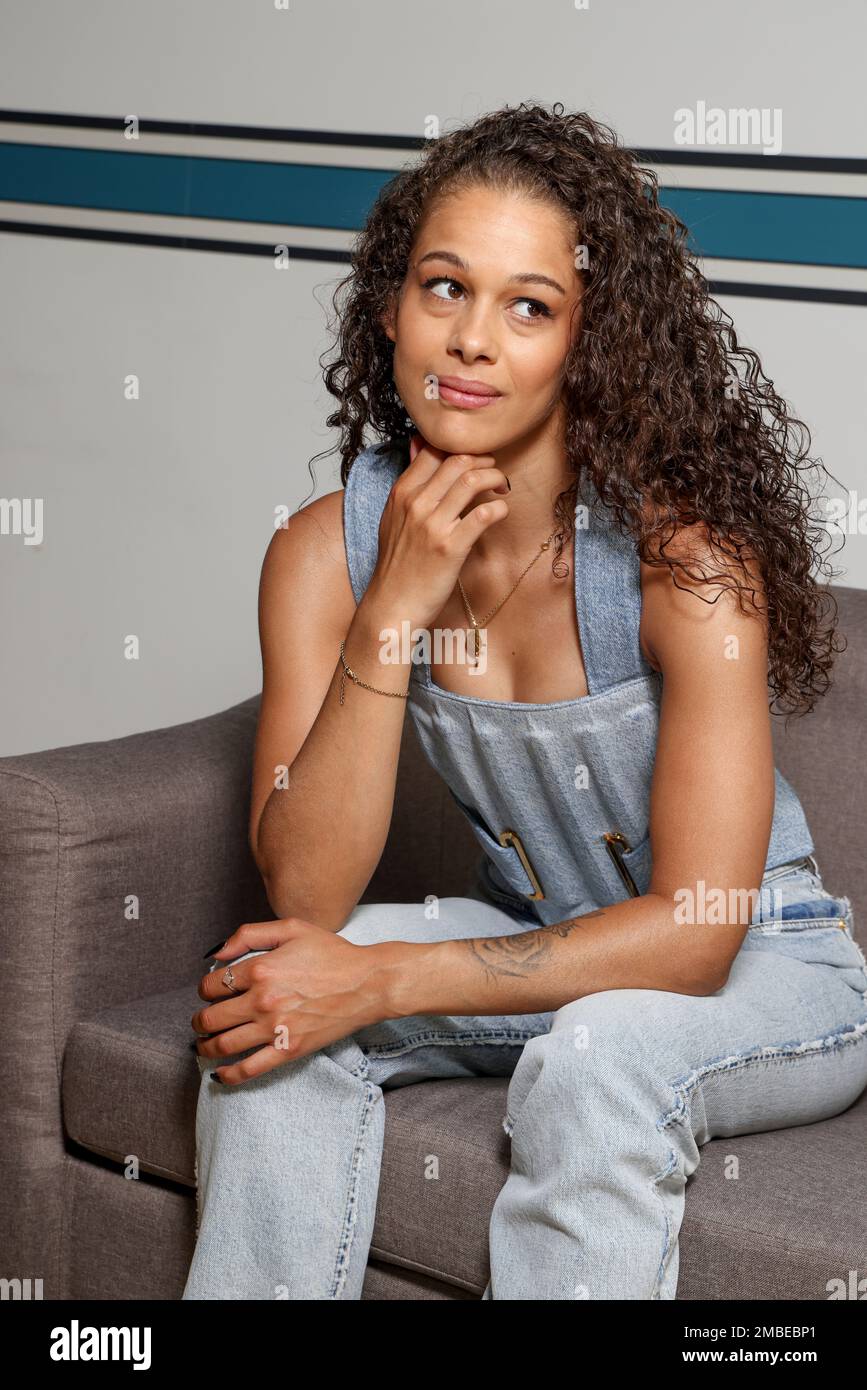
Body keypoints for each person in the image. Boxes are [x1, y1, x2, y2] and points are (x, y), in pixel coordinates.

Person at [182, 102, 867, 1300]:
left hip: (761, 964)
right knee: (269, 1002)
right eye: (444, 288)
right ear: (391, 308)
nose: (474, 341)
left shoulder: (684, 566)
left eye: (530, 306)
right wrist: (394, 605)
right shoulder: (318, 557)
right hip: (541, 953)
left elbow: (695, 935)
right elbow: (306, 889)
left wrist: (388, 980)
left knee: (598, 1057)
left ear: (588, 344)